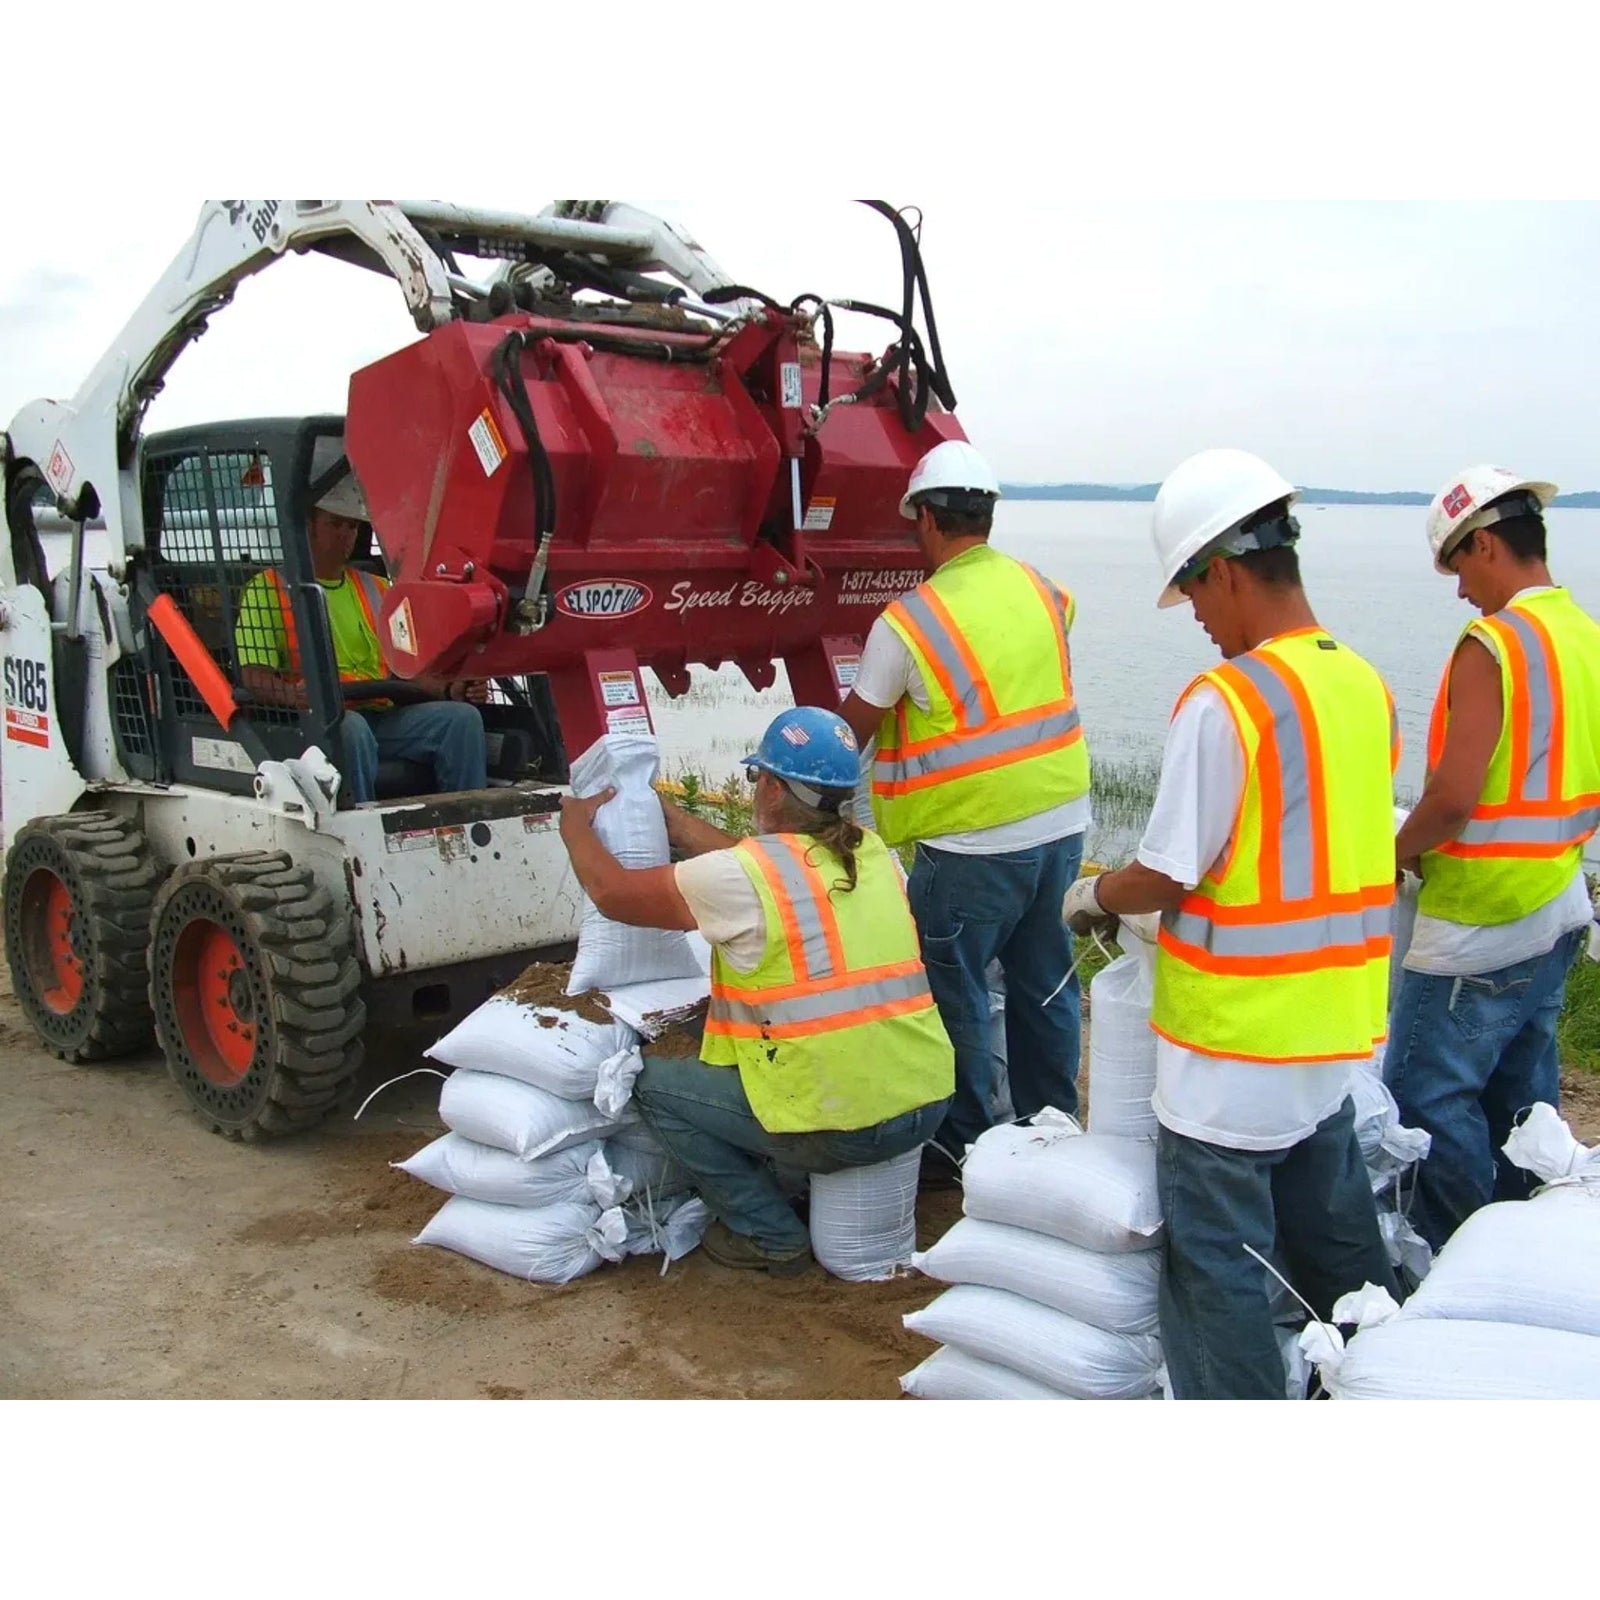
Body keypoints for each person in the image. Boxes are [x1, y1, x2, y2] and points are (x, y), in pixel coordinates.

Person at [1062, 447, 1399, 1400]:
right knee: (1340, 1251)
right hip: (1329, 1035)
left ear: (1223, 569)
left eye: (1194, 596)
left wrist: (1092, 896)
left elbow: (1168, 872)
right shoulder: (1365, 685)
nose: (1200, 620)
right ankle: (1383, 1384)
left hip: (1228, 1052)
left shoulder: (1229, 702)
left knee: (1215, 1274)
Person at [557, 706, 954, 1275]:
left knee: (648, 1083)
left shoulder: (741, 878)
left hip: (845, 1123)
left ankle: (769, 1236)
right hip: (926, 1101)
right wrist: (676, 823)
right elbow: (762, 865)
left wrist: (574, 829)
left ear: (769, 786)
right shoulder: (873, 853)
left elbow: (614, 894)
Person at [837, 439, 1091, 1175]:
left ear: (924, 520)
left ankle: (967, 1147)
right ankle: (1052, 1127)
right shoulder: (1048, 593)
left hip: (971, 847)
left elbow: (851, 732)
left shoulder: (909, 623)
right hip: (1062, 826)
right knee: (1046, 983)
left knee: (957, 994)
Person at [1387, 467, 1600, 1250]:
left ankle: (1459, 1259)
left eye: (1457, 567)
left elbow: (1452, 799)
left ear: (1485, 544)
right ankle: (1533, 1249)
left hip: (1481, 917)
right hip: (1557, 902)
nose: (1459, 592)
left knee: (1425, 1099)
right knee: (1522, 1100)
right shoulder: (1582, 633)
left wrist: (1391, 853)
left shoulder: (1497, 642)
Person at [234, 463, 488, 803]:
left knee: (461, 720)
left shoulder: (379, 589)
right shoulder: (268, 590)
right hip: (314, 725)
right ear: (306, 526)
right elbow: (253, 676)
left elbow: (406, 670)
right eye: (335, 524)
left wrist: (450, 688)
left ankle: (470, 818)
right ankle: (364, 824)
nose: (345, 535)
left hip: (383, 716)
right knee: (351, 730)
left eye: (352, 526)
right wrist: (290, 695)